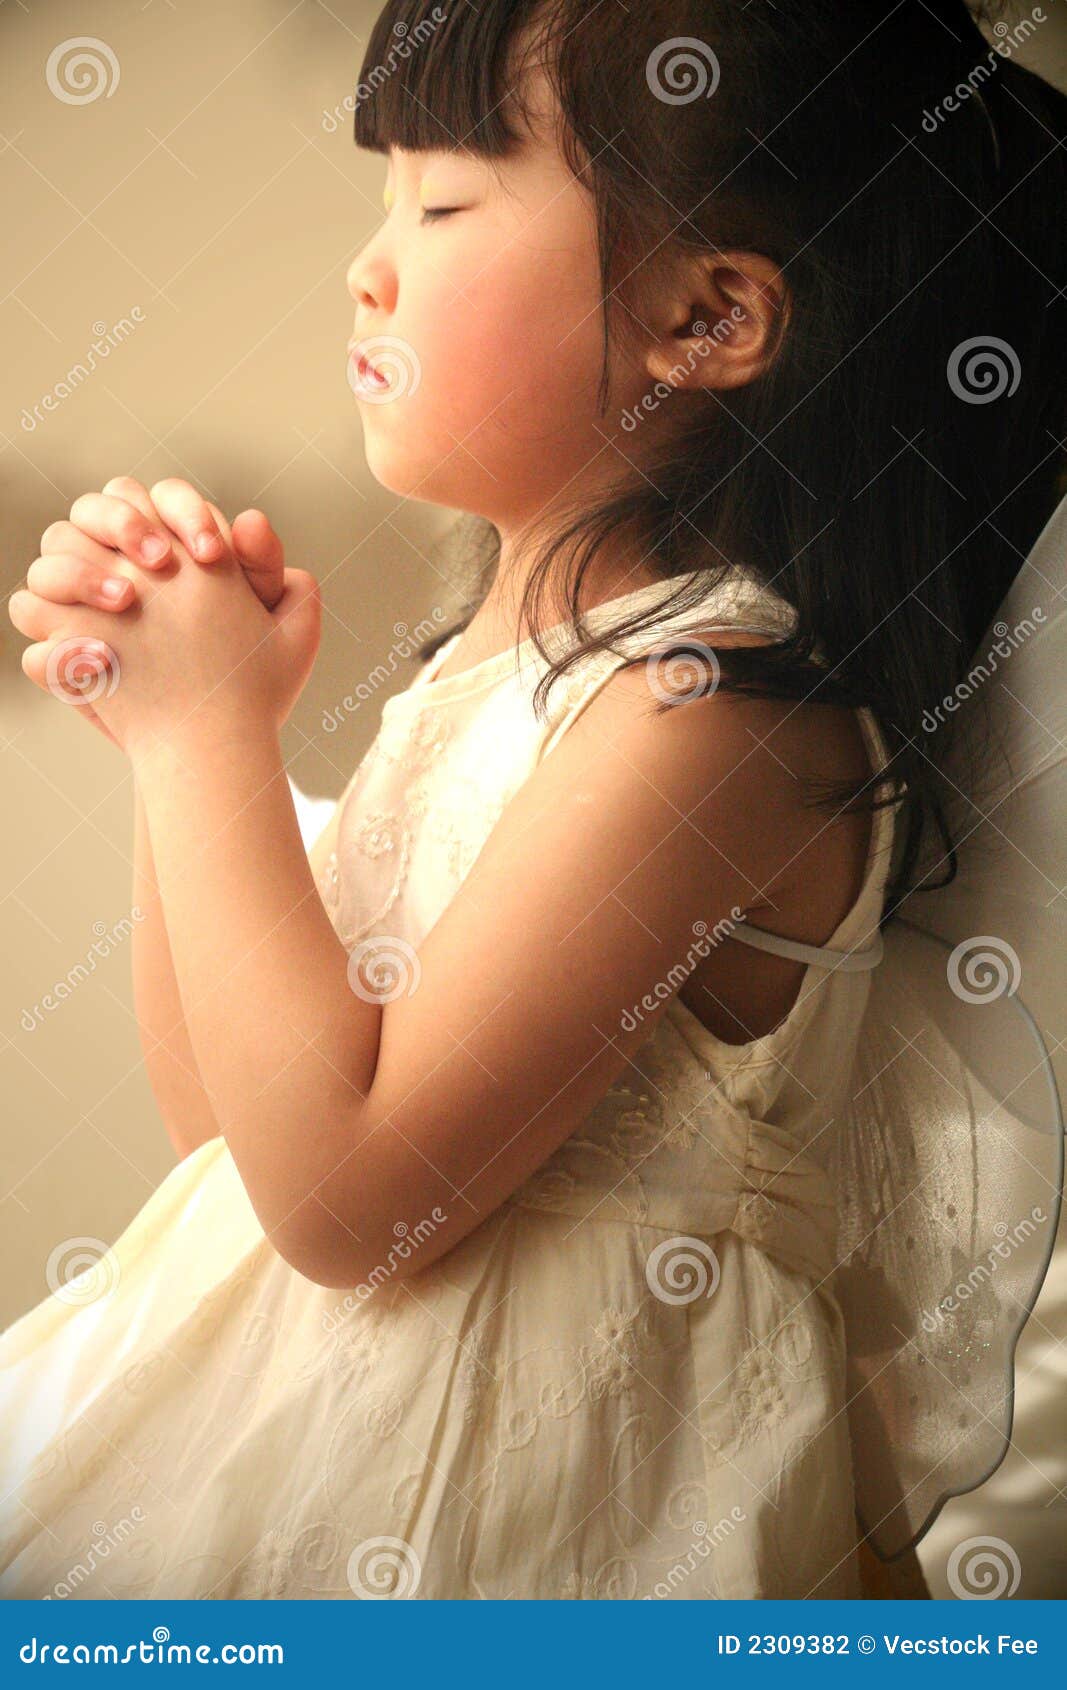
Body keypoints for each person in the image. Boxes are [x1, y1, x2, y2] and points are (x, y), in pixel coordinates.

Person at [3, 0, 1065, 1599]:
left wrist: (205, 737)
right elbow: (235, 1142)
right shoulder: (471, 683)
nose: (371, 263)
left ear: (706, 319)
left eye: (439, 205)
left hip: (561, 1523)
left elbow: (357, 1195)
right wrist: (186, 744)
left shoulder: (715, 709)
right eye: (384, 203)